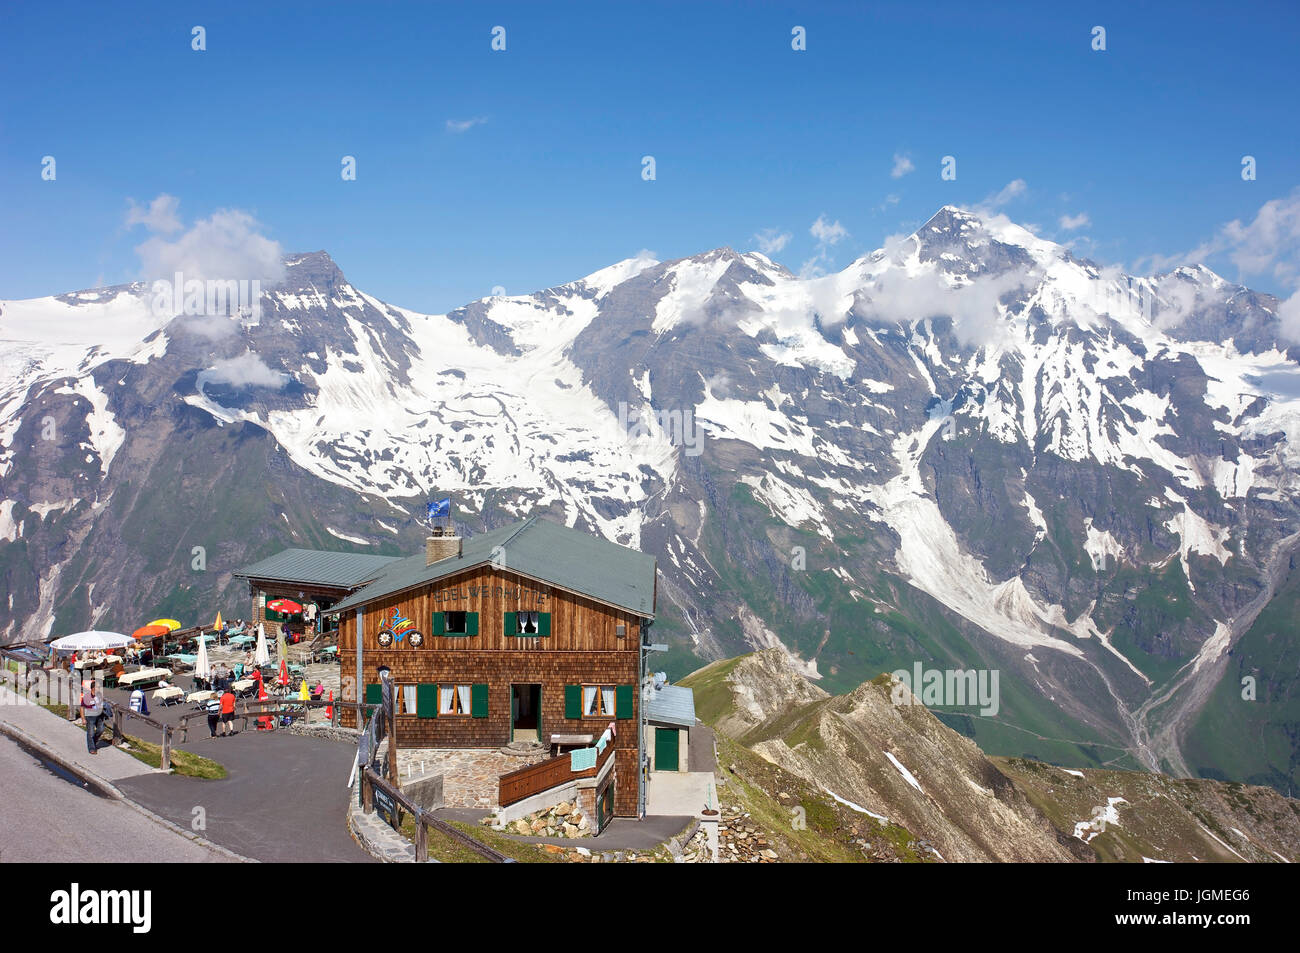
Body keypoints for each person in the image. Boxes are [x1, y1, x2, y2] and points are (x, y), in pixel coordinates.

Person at [80, 679, 105, 755]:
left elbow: (101, 703)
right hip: (90, 716)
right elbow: (82, 708)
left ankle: (93, 741)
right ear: (93, 688)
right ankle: (92, 748)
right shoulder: (87, 697)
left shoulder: (99, 695)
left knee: (101, 730)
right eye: (98, 687)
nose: (99, 688)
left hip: (99, 715)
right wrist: (83, 718)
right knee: (91, 733)